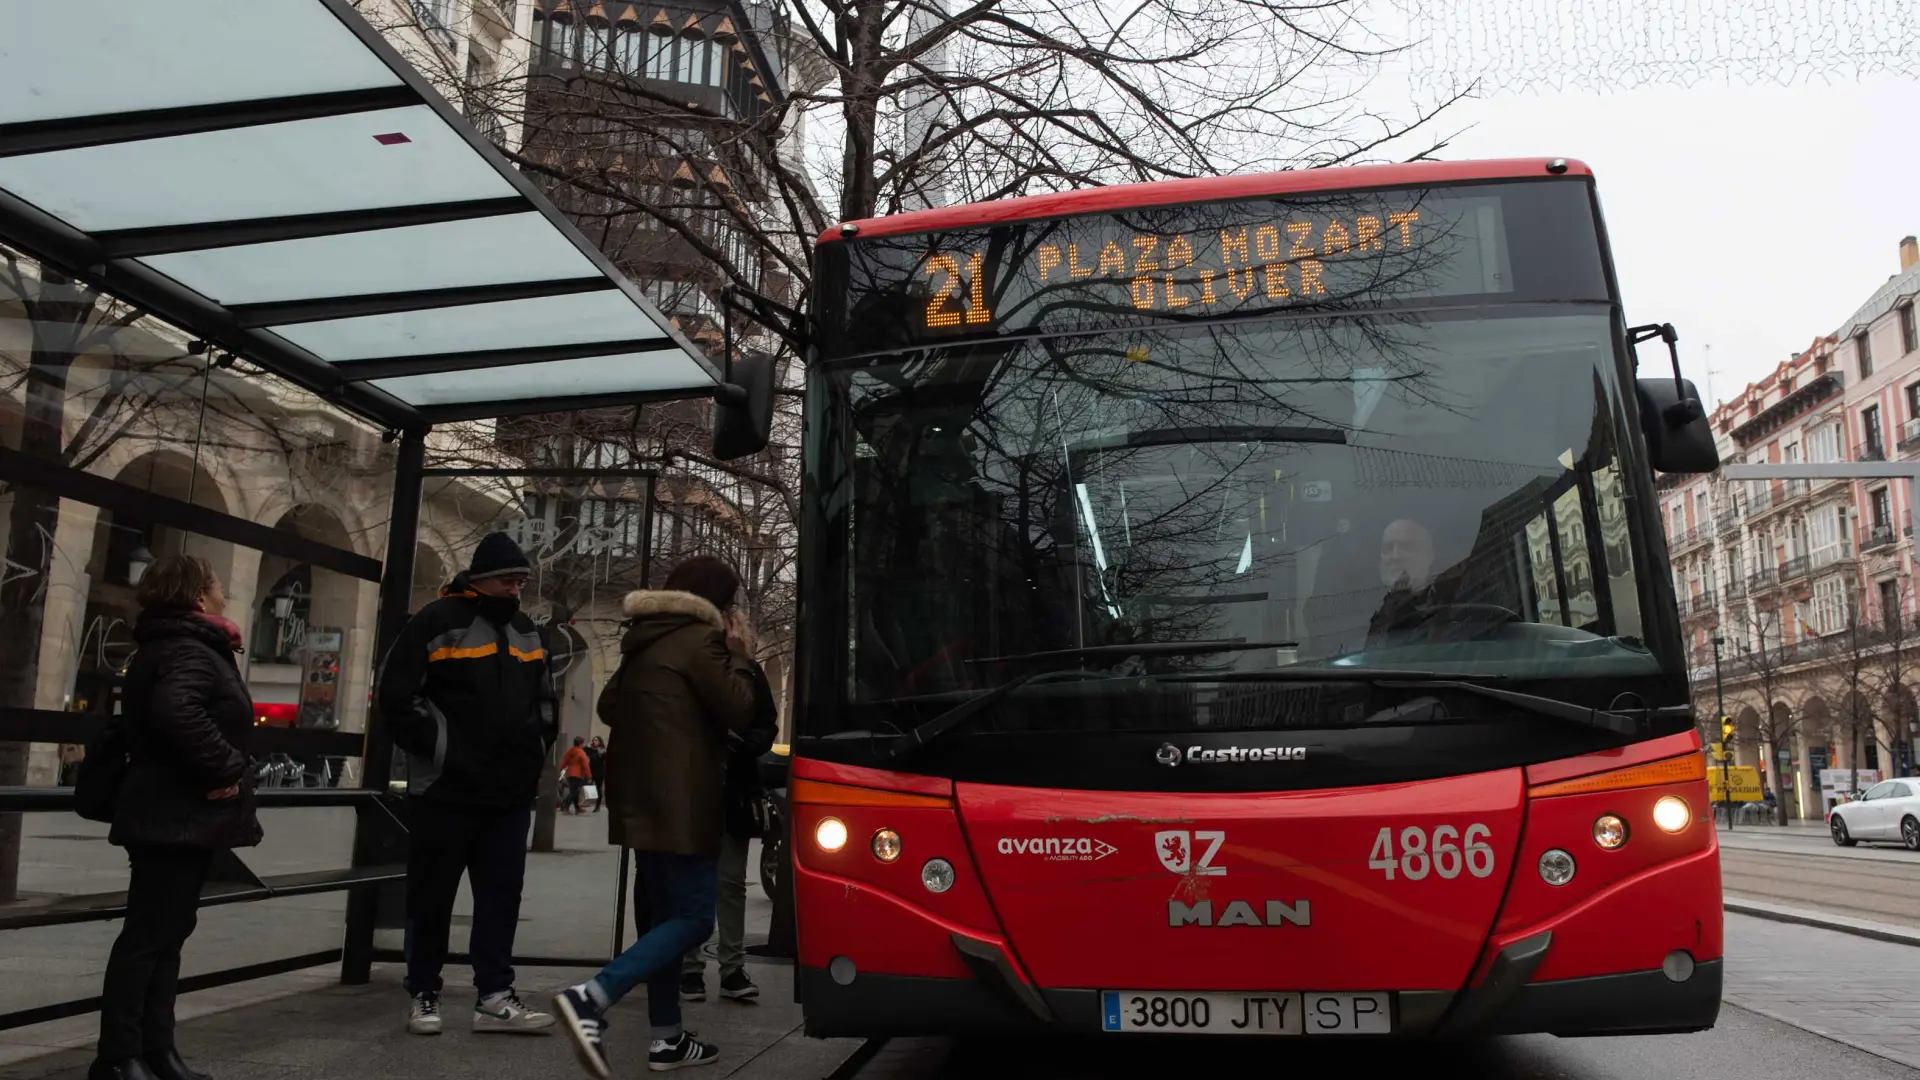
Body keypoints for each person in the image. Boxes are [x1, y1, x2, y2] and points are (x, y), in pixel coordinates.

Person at [553, 556, 762, 1078]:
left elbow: (608, 708)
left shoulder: (643, 641)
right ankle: (592, 996)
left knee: (666, 919)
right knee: (693, 918)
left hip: (640, 799)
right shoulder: (702, 641)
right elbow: (741, 708)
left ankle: (667, 1039)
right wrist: (738, 654)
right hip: (683, 800)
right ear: (718, 602)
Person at [377, 532, 558, 1037]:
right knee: (432, 896)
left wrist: (532, 756)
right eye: (508, 579)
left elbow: (546, 705)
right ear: (479, 578)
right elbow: (396, 696)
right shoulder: (435, 623)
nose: (516, 589)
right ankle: (424, 993)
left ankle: (495, 996)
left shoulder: (527, 631)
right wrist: (442, 752)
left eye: (521, 581)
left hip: (507, 795)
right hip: (444, 791)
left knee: (502, 898)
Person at [92, 554, 263, 1080]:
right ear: (196, 596)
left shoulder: (181, 646)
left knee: (165, 937)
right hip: (173, 815)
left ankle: (155, 1051)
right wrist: (227, 769)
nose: (224, 594)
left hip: (177, 814)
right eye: (216, 586)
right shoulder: (188, 649)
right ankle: (121, 1058)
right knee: (149, 939)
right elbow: (176, 711)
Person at [680, 652, 778, 1002]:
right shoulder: (687, 659)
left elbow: (767, 721)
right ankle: (691, 967)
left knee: (730, 881)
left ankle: (730, 967)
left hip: (734, 787)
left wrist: (751, 743)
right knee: (694, 880)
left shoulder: (747, 667)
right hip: (692, 784)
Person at [560, 736, 592, 815]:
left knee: (574, 791)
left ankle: (577, 807)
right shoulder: (581, 752)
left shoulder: (570, 751)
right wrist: (589, 776)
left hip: (569, 774)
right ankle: (566, 807)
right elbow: (585, 765)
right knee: (574, 792)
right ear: (581, 744)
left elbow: (564, 761)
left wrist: (560, 769)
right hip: (577, 774)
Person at [586, 736, 606, 813]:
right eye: (594, 740)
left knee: (598, 788)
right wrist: (588, 746)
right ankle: (584, 802)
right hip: (591, 771)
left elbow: (604, 762)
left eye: (596, 740)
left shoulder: (602, 751)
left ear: (600, 742)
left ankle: (597, 806)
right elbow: (584, 751)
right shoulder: (591, 750)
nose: (595, 742)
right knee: (587, 786)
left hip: (599, 772)